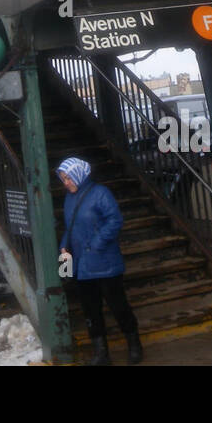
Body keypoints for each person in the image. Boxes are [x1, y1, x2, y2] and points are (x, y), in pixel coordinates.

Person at [56, 156, 142, 365]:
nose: (65, 183)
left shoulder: (100, 193)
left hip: (104, 263)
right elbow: (70, 226)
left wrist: (96, 243)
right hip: (82, 265)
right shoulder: (69, 198)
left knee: (118, 306)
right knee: (91, 309)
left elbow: (115, 220)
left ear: (78, 174)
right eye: (63, 179)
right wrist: (64, 247)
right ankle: (101, 353)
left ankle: (134, 345)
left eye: (68, 178)